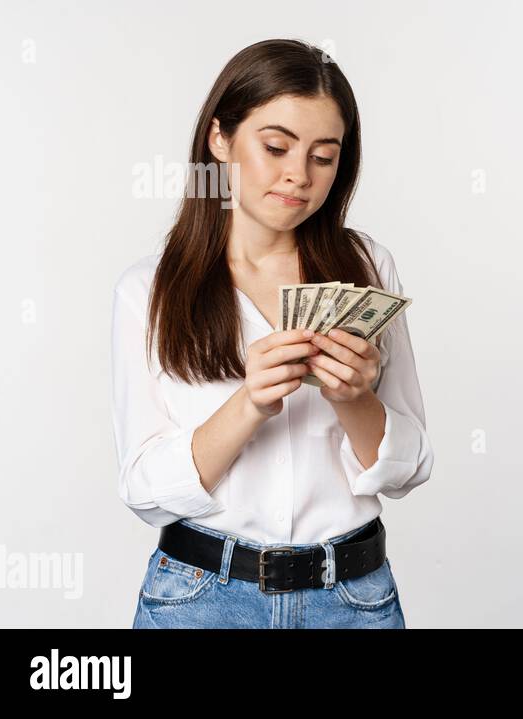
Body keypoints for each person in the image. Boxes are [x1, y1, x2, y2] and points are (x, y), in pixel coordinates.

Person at [110, 39, 433, 628]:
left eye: (323, 156)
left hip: (352, 600)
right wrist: (250, 402)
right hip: (199, 600)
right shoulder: (148, 291)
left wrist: (354, 397)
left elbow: (410, 466)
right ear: (220, 138)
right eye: (276, 146)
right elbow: (143, 490)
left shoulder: (367, 269)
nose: (297, 175)